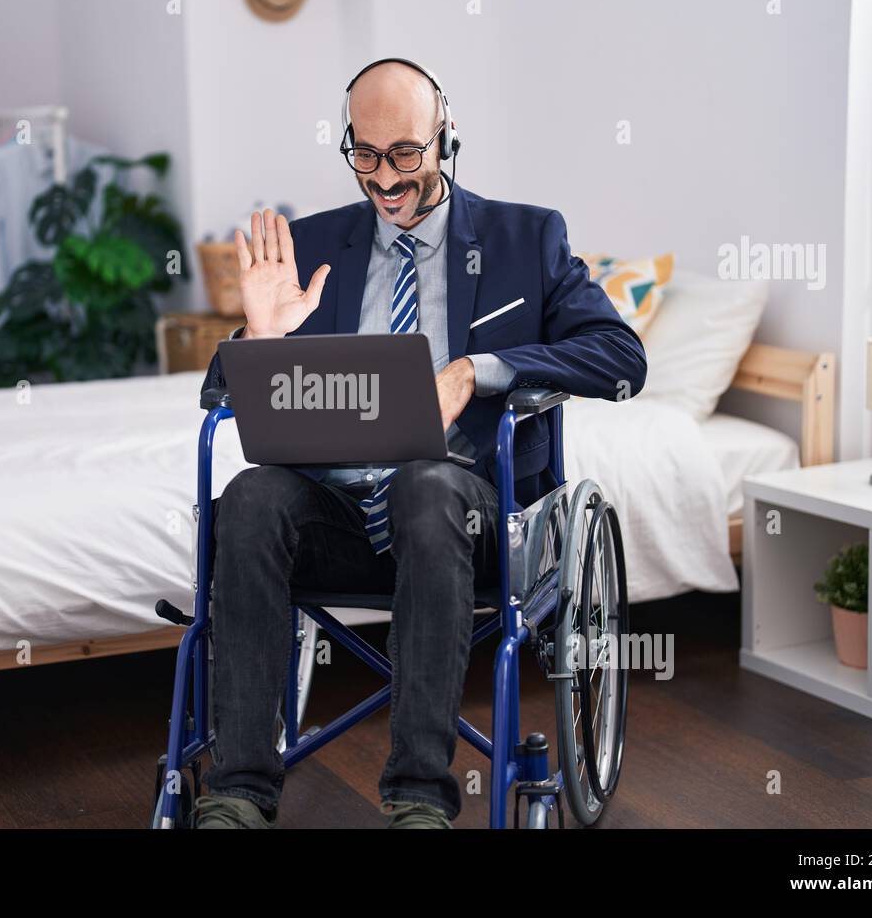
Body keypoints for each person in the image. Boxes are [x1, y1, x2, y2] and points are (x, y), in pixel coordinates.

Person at [194, 58, 647, 828]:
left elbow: (620, 355)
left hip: (461, 522)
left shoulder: (526, 239)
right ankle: (237, 790)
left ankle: (419, 800)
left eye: (405, 152)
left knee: (425, 484)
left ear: (447, 135)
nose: (385, 178)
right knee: (247, 495)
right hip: (335, 514)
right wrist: (260, 336)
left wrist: (477, 371)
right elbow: (217, 394)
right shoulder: (313, 242)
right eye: (364, 155)